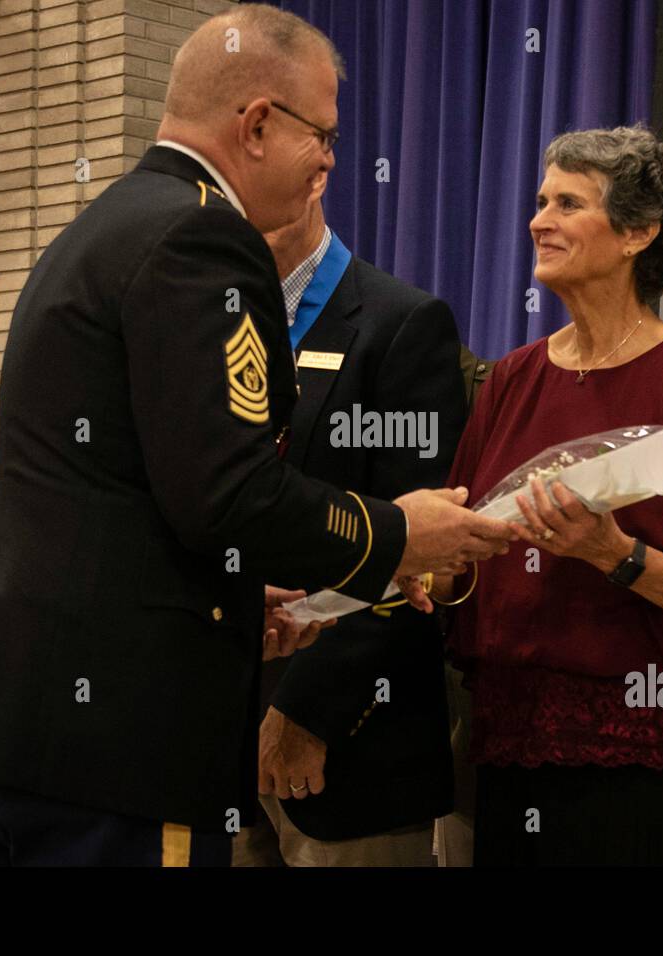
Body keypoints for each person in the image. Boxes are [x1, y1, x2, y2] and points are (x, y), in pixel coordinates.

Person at [0, 5, 514, 867]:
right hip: (120, 737)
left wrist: (235, 607)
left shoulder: (112, 220)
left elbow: (140, 492)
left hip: (22, 717)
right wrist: (400, 533)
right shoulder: (205, 236)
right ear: (259, 124)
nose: (332, 162)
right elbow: (229, 495)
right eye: (324, 135)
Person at [439, 126, 663, 866]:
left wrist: (613, 553)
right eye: (540, 201)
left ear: (636, 233)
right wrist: (419, 560)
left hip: (632, 757)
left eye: (568, 202)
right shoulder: (509, 380)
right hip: (503, 747)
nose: (539, 219)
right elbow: (459, 553)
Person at [231, 173, 465, 866]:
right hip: (215, 740)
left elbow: (416, 548)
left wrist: (309, 710)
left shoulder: (402, 324)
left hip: (347, 747)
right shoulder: (212, 327)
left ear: (308, 179)